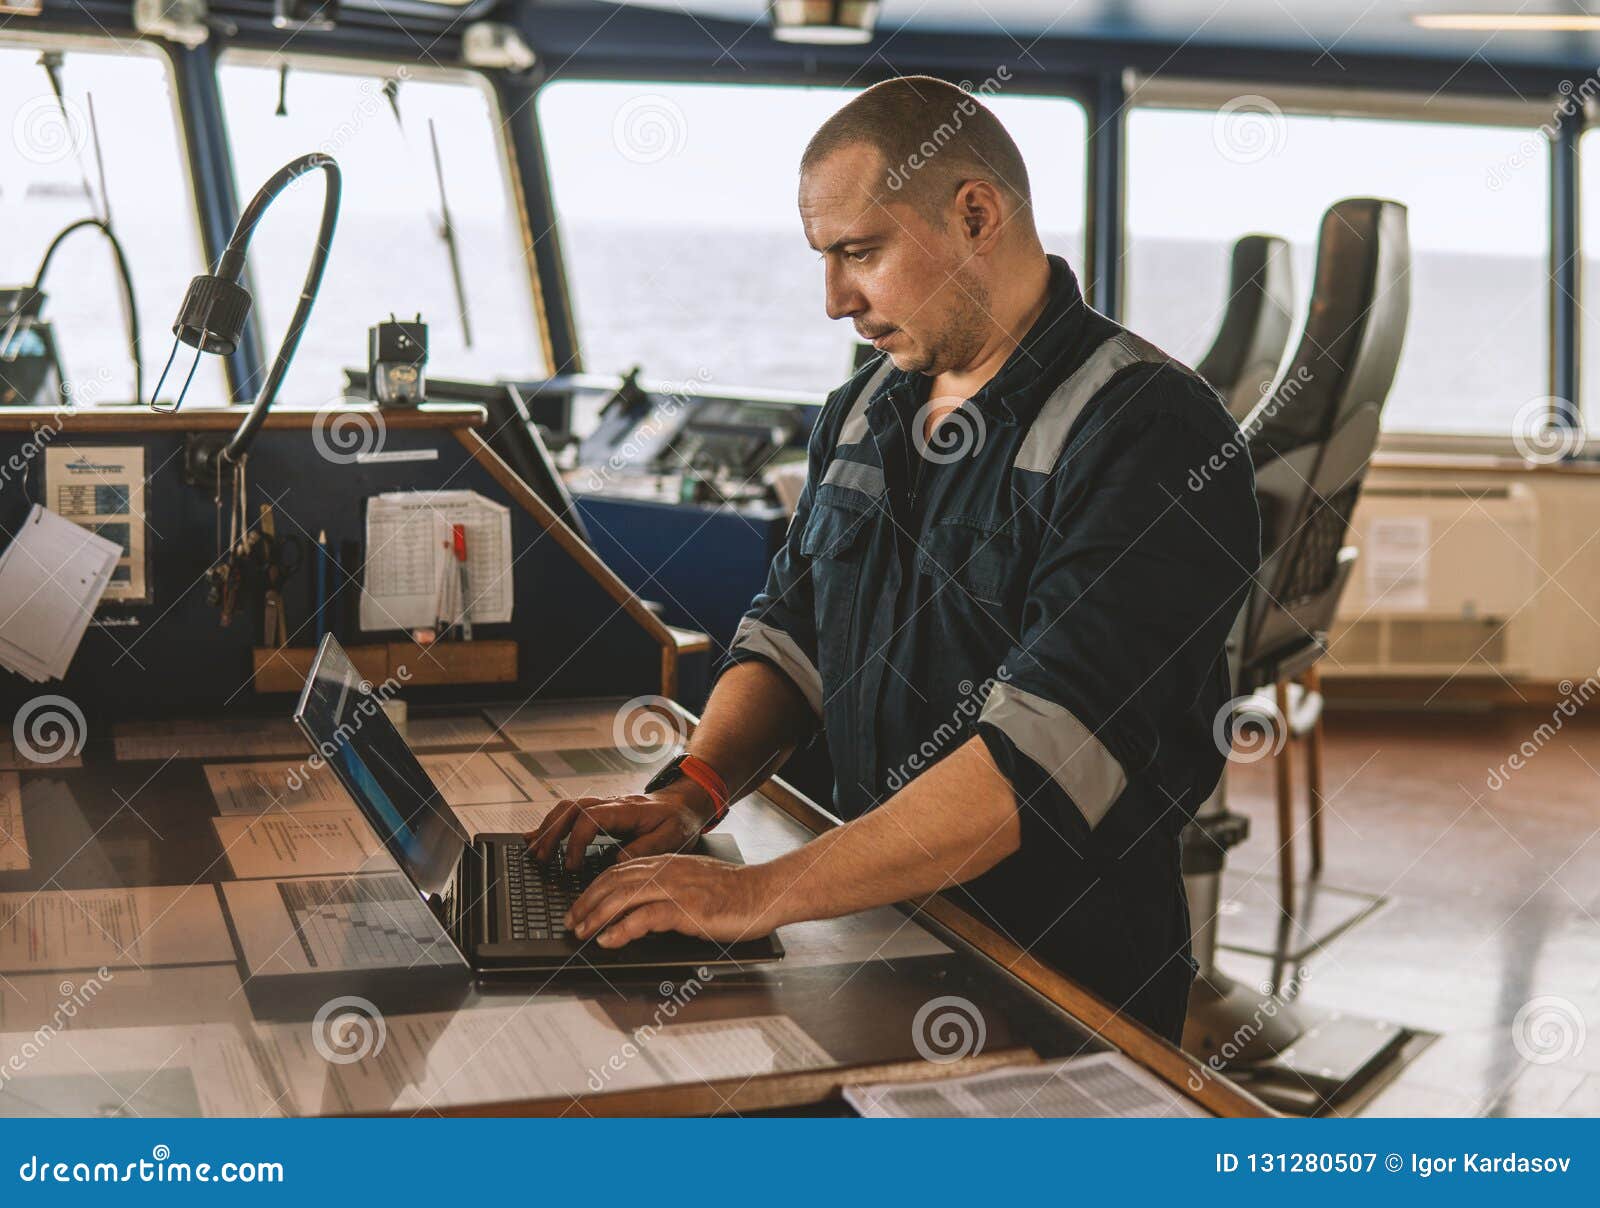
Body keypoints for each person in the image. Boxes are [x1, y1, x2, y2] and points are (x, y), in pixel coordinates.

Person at [529, 75, 1260, 1042]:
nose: (836, 301)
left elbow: (1039, 763)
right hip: (870, 920)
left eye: (859, 253)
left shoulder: (1149, 431)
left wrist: (753, 894)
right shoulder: (865, 409)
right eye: (825, 260)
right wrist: (695, 792)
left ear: (975, 215)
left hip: (1059, 977)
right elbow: (793, 633)